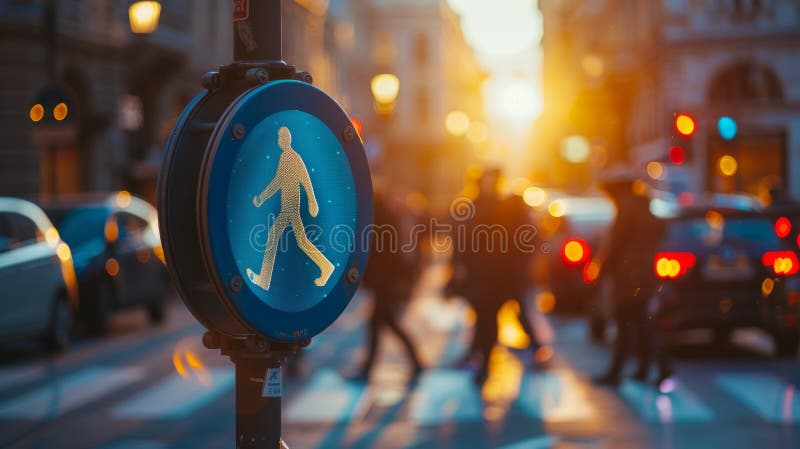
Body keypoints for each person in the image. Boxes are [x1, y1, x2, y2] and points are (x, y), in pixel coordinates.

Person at [450, 168, 542, 385]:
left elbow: (525, 238)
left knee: (489, 319)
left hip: (500, 274)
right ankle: (482, 361)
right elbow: (463, 239)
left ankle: (484, 363)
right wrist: (459, 265)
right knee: (485, 318)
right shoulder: (474, 206)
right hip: (480, 273)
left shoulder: (506, 206)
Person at [593, 166, 672, 387]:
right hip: (645, 275)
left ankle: (619, 371)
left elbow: (615, 244)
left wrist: (601, 270)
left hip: (628, 276)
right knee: (641, 321)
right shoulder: (645, 207)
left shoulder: (626, 209)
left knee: (627, 323)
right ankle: (647, 368)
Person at [356, 189, 423, 381]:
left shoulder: (382, 218)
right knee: (384, 323)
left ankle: (369, 369)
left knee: (381, 324)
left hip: (386, 283)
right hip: (386, 282)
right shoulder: (384, 216)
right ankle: (415, 362)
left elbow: (385, 254)